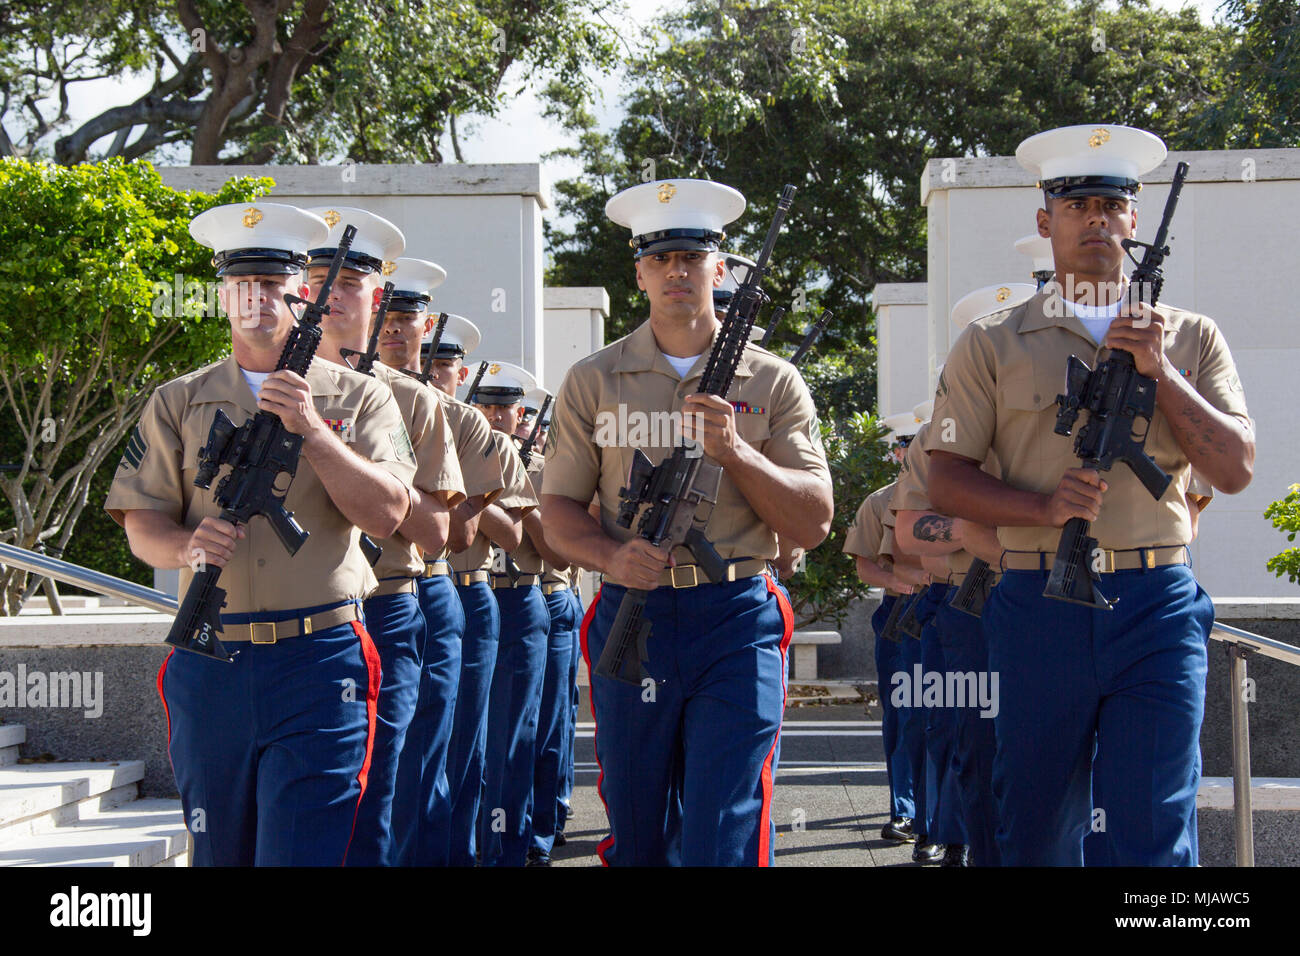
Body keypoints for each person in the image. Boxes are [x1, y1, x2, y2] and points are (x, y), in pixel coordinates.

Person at [928, 124, 1255, 866]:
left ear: (1135, 222)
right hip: (1037, 600)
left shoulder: (1192, 337)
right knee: (1038, 826)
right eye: (1078, 207)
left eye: (1113, 204)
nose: (1097, 220)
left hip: (1157, 602)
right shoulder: (994, 340)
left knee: (1153, 823)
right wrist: (1040, 509)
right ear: (1046, 223)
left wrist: (1162, 373)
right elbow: (943, 476)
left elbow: (1234, 469)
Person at [107, 202, 417, 865]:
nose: (255, 301)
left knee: (303, 851)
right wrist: (187, 547)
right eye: (241, 285)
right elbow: (142, 523)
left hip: (318, 657)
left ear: (301, 296)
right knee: (219, 852)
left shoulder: (359, 398)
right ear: (222, 297)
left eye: (272, 286)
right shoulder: (177, 399)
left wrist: (312, 431)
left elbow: (390, 513)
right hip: (211, 659)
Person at [541, 178, 834, 866]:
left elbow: (816, 519)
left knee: (719, 827)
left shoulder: (770, 381)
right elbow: (556, 511)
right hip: (632, 613)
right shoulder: (594, 379)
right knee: (638, 829)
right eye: (661, 257)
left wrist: (735, 453)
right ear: (639, 271)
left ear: (719, 268)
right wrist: (611, 559)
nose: (678, 271)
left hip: (735, 617)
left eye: (693, 256)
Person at [305, 220, 467, 866]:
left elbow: (437, 531)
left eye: (347, 283)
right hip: (304, 615)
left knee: (380, 797)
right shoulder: (267, 384)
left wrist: (360, 480)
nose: (330, 297)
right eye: (317, 283)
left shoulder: (411, 403)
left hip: (387, 603)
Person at [382, 310, 507, 865]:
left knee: (437, 756)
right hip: (345, 595)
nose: (394, 331)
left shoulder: (459, 420)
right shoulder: (335, 393)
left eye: (406, 319)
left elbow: (455, 536)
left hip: (429, 587)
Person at [468, 361, 550, 867]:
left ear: (520, 414)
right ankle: (473, 842)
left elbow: (544, 546)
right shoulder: (461, 449)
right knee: (470, 739)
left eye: (505, 407)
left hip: (519, 596)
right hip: (472, 595)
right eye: (488, 406)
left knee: (514, 736)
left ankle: (513, 847)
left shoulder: (537, 465)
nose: (496, 416)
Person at [842, 479, 921, 846]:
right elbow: (865, 567)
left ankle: (952, 817)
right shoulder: (880, 502)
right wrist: (904, 583)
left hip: (960, 605)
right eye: (908, 445)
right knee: (903, 716)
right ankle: (905, 810)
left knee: (960, 711)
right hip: (902, 611)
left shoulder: (969, 485)